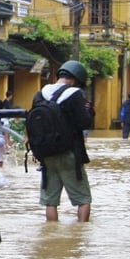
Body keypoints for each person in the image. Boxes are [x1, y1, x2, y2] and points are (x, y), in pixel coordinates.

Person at [35, 60, 94, 222]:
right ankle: (81, 233)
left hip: (46, 155)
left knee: (50, 202)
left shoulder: (41, 93)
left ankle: (51, 234)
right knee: (83, 200)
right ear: (75, 80)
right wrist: (88, 110)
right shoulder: (75, 94)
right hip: (70, 154)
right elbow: (84, 123)